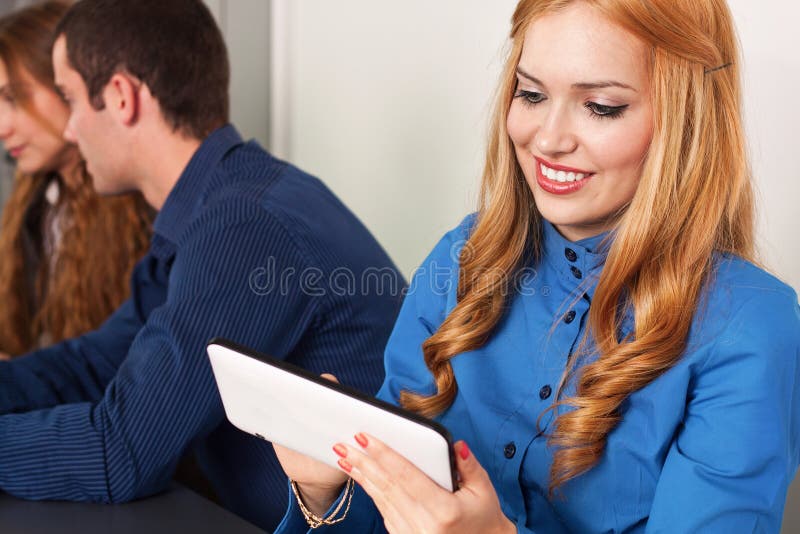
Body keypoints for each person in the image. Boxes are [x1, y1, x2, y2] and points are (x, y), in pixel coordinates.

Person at [275, 0, 800, 532]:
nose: (548, 140)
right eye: (531, 94)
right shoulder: (463, 258)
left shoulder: (752, 328)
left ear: (687, 121)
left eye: (599, 106)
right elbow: (381, 508)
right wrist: (325, 489)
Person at [0, 0, 403, 531]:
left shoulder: (247, 224)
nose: (71, 130)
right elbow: (98, 363)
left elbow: (122, 451)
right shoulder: (218, 207)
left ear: (121, 97)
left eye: (71, 99)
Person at [0, 0, 152, 358]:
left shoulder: (145, 212)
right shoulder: (35, 205)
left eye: (14, 98)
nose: (2, 127)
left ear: (68, 90)